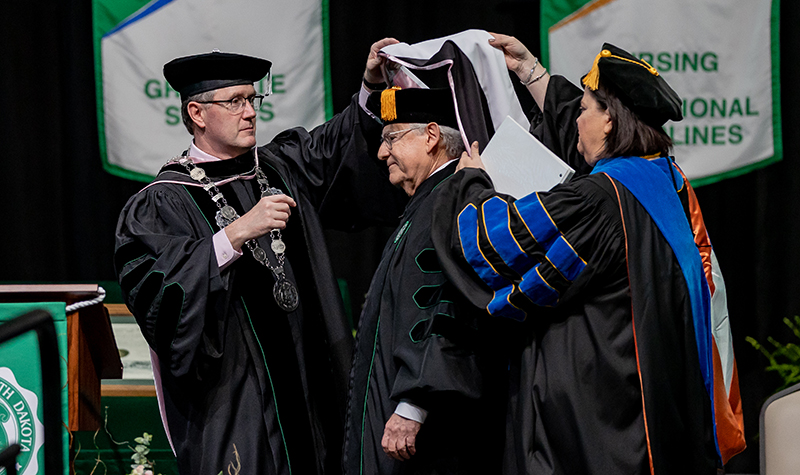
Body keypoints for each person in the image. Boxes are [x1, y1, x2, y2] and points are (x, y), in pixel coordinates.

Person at [431, 42, 746, 474]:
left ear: (610, 119)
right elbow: (579, 144)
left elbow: (495, 242)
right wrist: (530, 71)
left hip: (596, 422)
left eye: (583, 110)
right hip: (648, 413)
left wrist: (471, 182)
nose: (575, 120)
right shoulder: (666, 183)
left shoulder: (601, 200)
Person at [114, 41, 407, 475]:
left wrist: (370, 85)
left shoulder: (279, 168)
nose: (250, 112)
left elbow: (338, 144)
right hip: (240, 401)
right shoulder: (164, 202)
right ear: (197, 113)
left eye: (253, 99)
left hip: (314, 387)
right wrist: (233, 235)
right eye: (234, 101)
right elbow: (158, 294)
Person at [342, 87, 507, 475]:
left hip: (434, 428)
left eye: (391, 138)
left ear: (431, 136)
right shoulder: (426, 203)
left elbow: (447, 308)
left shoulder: (450, 201)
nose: (381, 152)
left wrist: (413, 405)